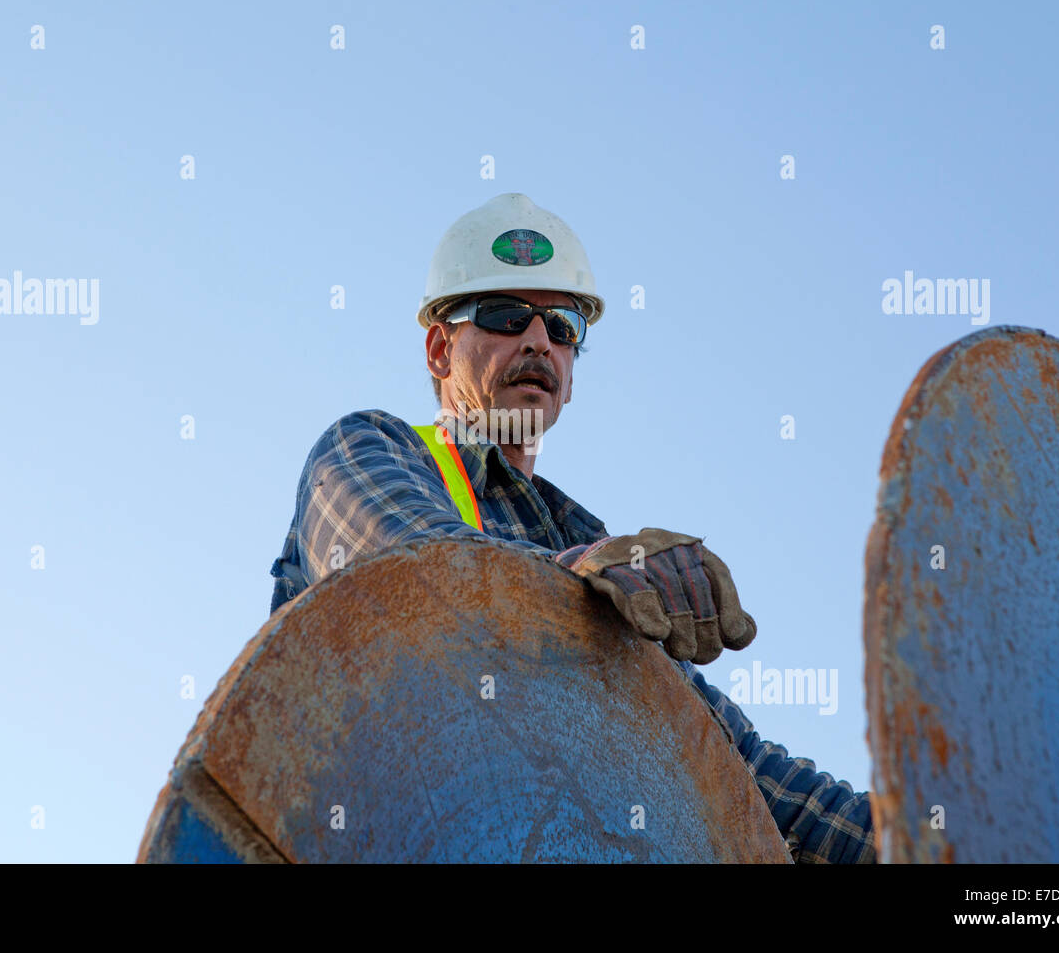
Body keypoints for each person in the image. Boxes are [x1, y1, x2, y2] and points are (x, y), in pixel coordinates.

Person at [270, 192, 874, 863]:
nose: (538, 341)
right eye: (505, 316)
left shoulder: (595, 556)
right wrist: (577, 582)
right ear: (440, 350)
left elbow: (746, 780)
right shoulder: (370, 451)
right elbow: (415, 584)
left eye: (562, 327)